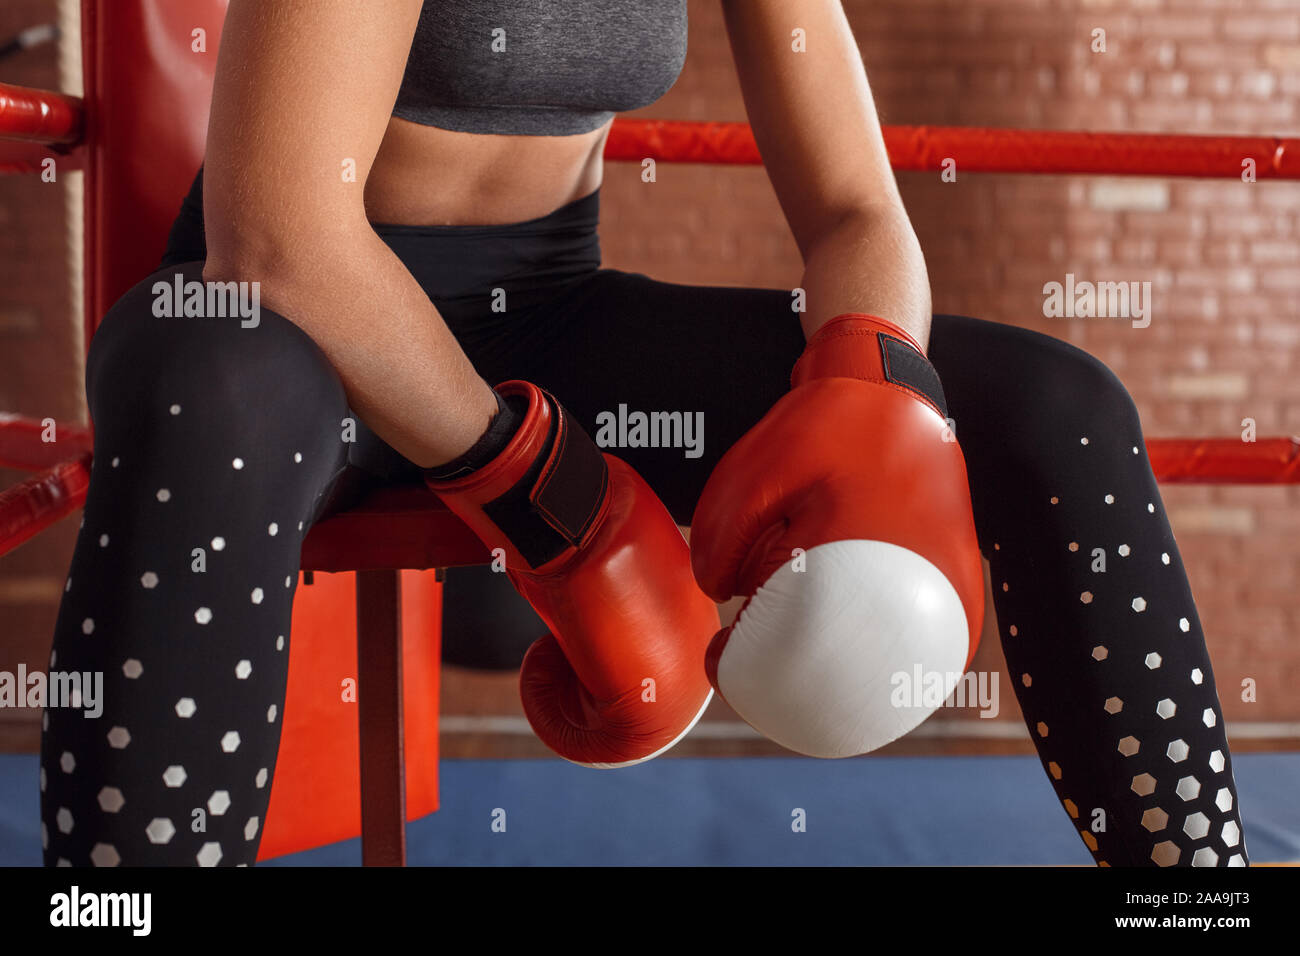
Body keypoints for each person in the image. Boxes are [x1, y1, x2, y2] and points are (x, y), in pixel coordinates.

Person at [42, 0, 1245, 867]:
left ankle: (1188, 890)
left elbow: (853, 208)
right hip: (284, 322)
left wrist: (873, 382)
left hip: (550, 318)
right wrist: (555, 499)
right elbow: (285, 237)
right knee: (220, 393)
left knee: (1057, 404)